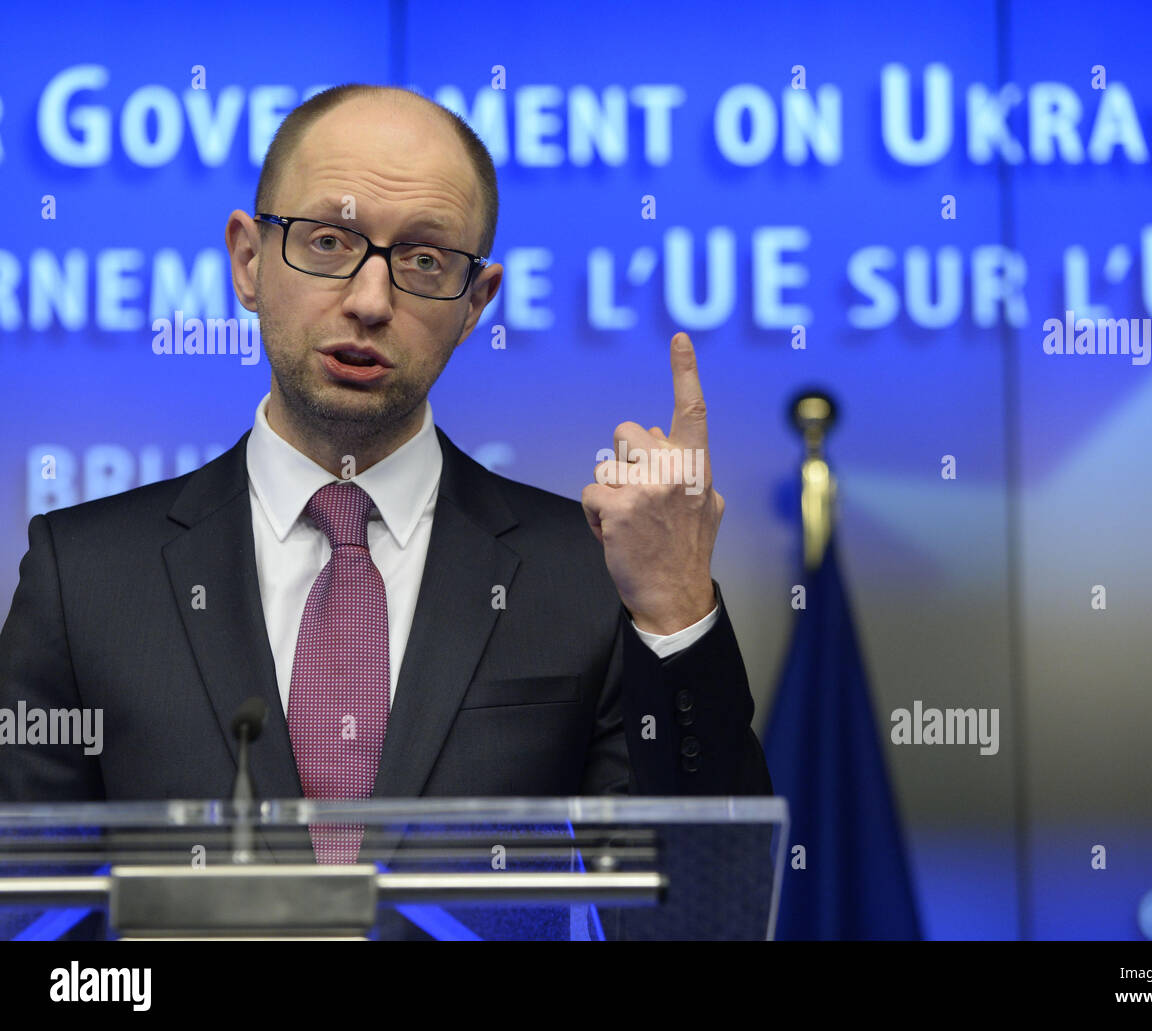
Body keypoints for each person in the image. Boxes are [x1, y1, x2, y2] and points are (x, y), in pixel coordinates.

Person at [0, 86, 772, 838]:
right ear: (247, 261)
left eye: (426, 260)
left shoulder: (590, 575)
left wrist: (675, 609)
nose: (371, 300)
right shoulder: (84, 579)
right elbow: (32, 913)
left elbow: (695, 907)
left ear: (475, 303)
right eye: (329, 241)